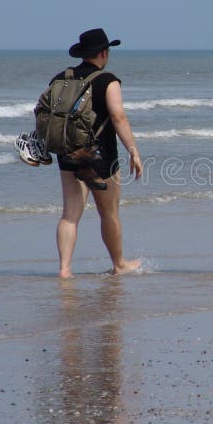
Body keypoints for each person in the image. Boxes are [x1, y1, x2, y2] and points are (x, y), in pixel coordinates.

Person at [53, 28, 143, 279]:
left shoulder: (61, 78)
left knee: (70, 214)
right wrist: (133, 151)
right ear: (103, 52)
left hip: (68, 152)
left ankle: (64, 270)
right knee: (109, 212)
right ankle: (119, 264)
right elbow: (118, 117)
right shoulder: (107, 80)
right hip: (101, 156)